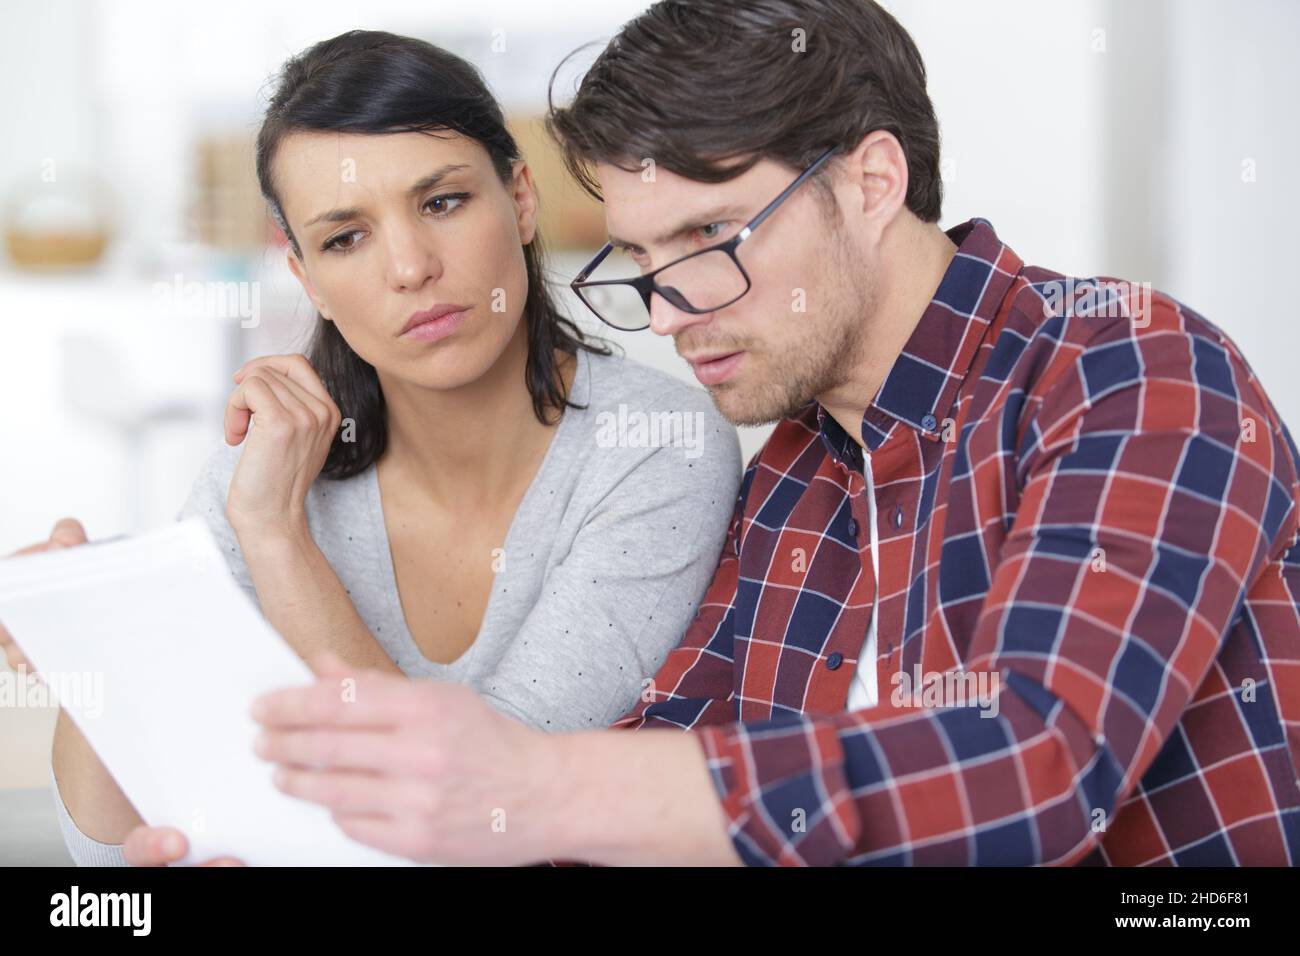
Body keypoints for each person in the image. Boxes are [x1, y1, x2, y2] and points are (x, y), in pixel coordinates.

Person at [245, 0, 1300, 866]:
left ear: (870, 181)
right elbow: (655, 763)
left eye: (708, 233)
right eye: (641, 258)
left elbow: (1034, 764)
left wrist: (535, 784)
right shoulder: (798, 470)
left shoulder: (1124, 366)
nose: (666, 313)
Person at [0, 29, 740, 866]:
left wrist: (278, 542)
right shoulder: (267, 466)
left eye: (442, 203)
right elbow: (102, 850)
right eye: (346, 237)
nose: (411, 268)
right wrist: (106, 645)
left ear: (521, 199)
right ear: (307, 276)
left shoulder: (657, 448)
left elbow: (474, 817)